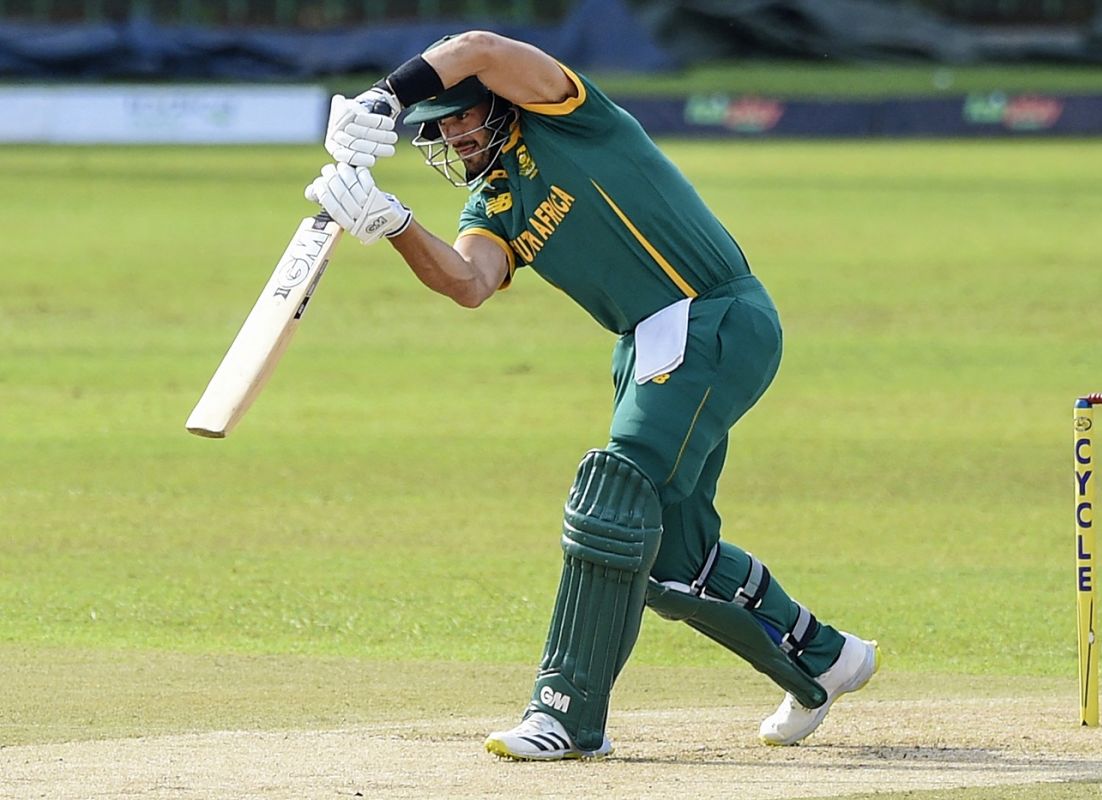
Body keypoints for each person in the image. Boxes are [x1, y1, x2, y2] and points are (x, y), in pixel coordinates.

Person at [304, 30, 878, 761]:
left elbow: (478, 44)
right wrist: (392, 222)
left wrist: (388, 94)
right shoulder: (494, 201)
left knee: (613, 498)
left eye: (456, 116)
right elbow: (469, 282)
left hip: (711, 314)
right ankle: (824, 660)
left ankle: (566, 713)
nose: (448, 134)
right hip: (646, 343)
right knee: (672, 564)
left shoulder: (567, 113)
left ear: (495, 103)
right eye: (436, 125)